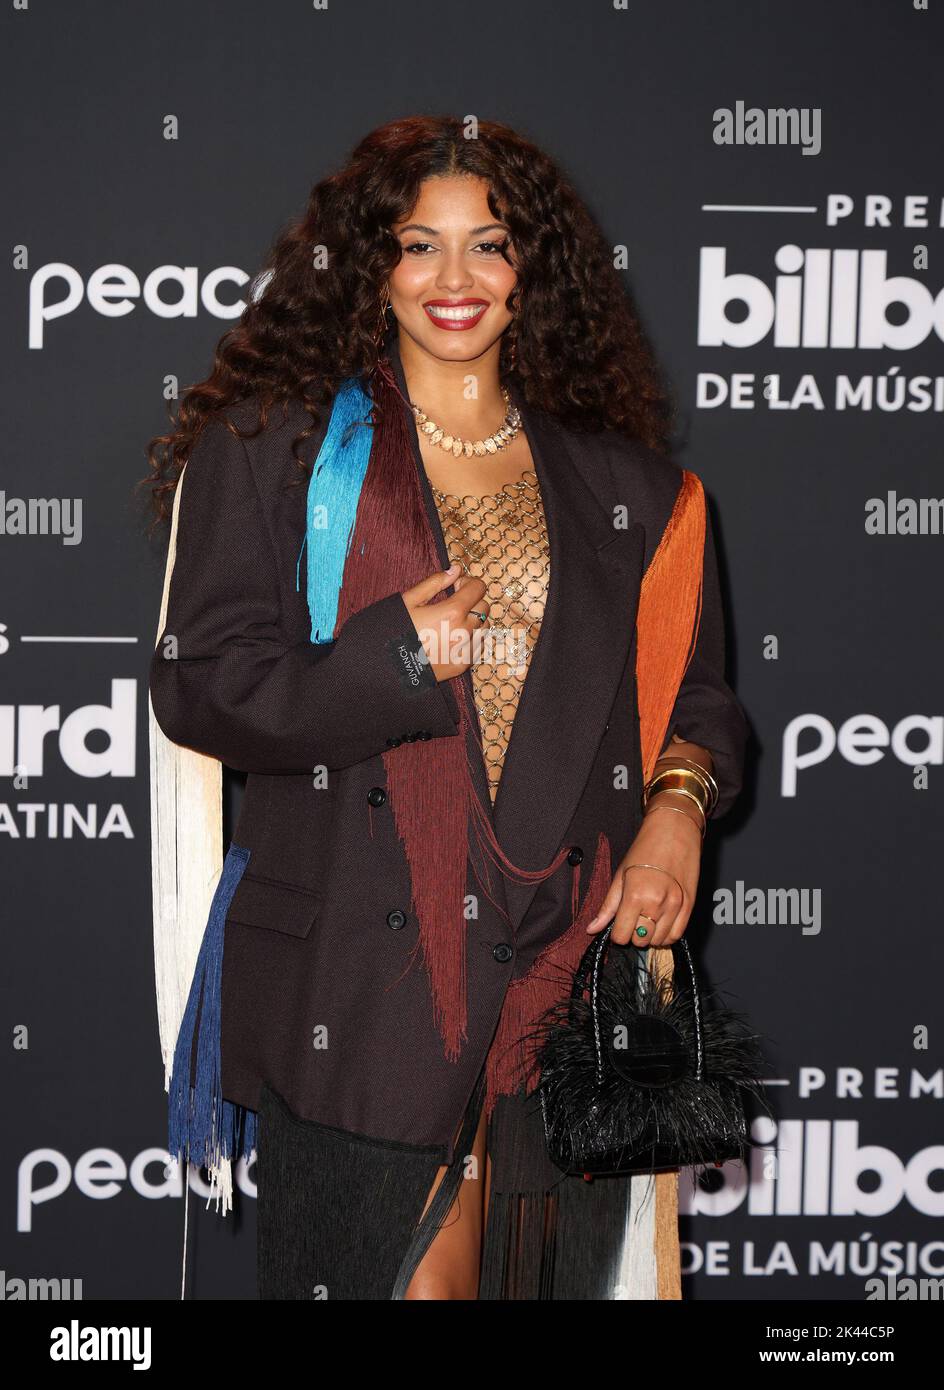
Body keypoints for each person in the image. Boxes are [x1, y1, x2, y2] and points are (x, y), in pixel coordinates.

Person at [145, 114, 748, 1301]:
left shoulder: (631, 490)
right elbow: (197, 684)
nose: (454, 280)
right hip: (363, 998)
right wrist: (391, 660)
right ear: (372, 265)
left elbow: (699, 697)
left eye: (488, 245)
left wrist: (677, 807)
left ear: (536, 270)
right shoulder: (275, 452)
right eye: (418, 245)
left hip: (559, 995)